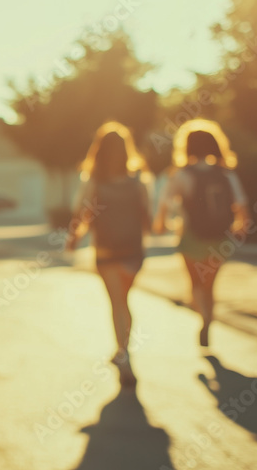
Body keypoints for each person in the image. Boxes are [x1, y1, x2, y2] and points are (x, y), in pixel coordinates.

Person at [67, 122, 152, 386]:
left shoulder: (94, 182)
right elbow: (147, 219)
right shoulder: (139, 181)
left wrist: (73, 238)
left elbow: (81, 214)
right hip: (133, 251)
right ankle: (124, 350)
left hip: (106, 250)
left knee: (116, 303)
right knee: (124, 301)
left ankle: (123, 354)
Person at [153, 119, 248, 348]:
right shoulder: (226, 175)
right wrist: (240, 226)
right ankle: (208, 319)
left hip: (190, 236)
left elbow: (165, 203)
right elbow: (242, 206)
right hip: (220, 237)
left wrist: (160, 224)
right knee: (210, 285)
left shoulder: (181, 175)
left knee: (195, 282)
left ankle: (202, 315)